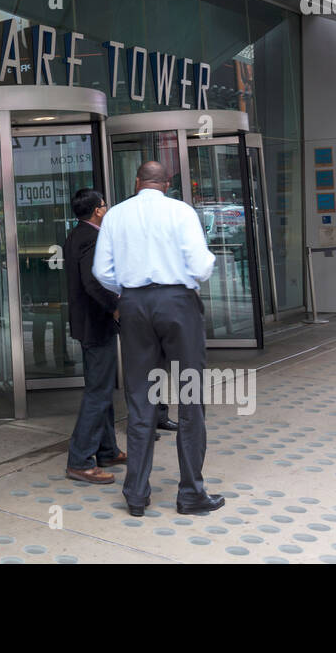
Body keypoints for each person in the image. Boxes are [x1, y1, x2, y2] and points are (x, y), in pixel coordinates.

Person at [93, 161, 221, 517]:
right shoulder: (181, 212)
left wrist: (131, 292)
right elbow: (199, 266)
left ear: (137, 182)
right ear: (167, 183)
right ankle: (191, 493)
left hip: (134, 306)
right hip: (178, 304)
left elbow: (102, 271)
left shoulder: (116, 215)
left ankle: (135, 493)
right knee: (190, 396)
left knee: (141, 397)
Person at [63, 189, 126, 484]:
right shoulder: (91, 238)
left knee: (101, 388)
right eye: (104, 204)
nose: (107, 207)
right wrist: (114, 307)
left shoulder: (76, 234)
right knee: (98, 392)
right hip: (95, 323)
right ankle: (79, 460)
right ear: (98, 211)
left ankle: (107, 449)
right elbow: (92, 282)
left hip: (88, 324)